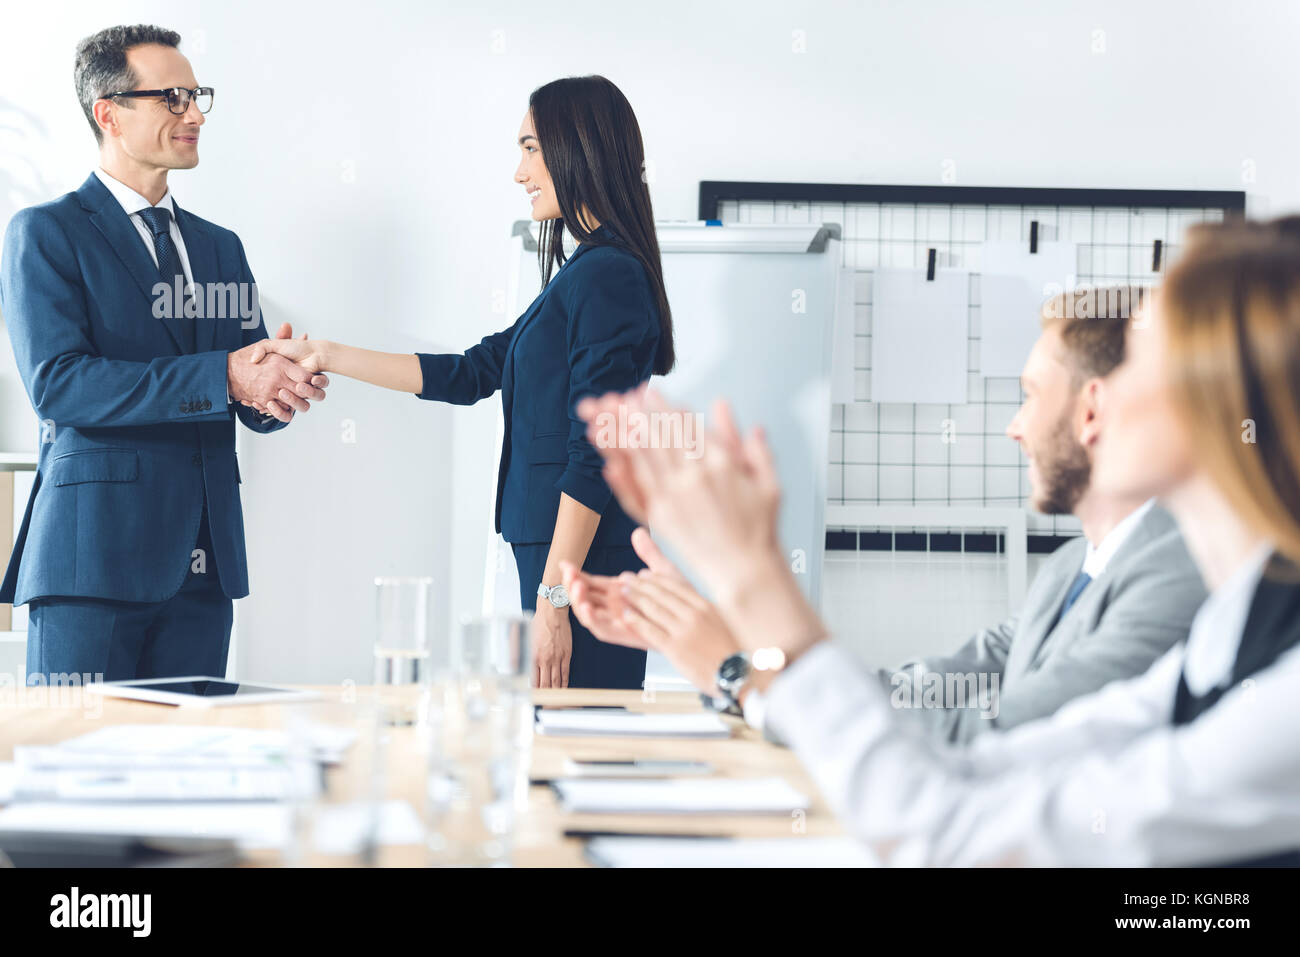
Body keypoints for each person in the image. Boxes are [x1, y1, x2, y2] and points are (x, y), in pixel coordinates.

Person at [575, 219, 1300, 866]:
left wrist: (751, 590)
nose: (1103, 394)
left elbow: (950, 832)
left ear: (1225, 398)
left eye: (1141, 360)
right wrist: (752, 658)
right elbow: (984, 768)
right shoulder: (1225, 628)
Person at [562, 286, 1205, 743]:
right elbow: (918, 690)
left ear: (1091, 410)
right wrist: (740, 657)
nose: (1015, 427)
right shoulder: (1073, 566)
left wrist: (740, 665)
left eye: (1030, 394)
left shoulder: (1175, 575)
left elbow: (988, 735)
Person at [248, 76, 673, 689]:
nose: (519, 172)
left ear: (576, 148)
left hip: (582, 577)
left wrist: (556, 597)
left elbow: (596, 452)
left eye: (530, 149)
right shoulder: (585, 272)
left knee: (579, 757)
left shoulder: (608, 276)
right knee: (552, 755)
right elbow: (472, 373)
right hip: (564, 566)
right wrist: (324, 353)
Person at [0, 25, 328, 684]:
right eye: (173, 98)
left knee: (192, 773)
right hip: (89, 565)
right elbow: (61, 385)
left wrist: (277, 388)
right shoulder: (47, 233)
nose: (195, 114)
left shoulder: (219, 248)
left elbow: (242, 388)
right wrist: (228, 374)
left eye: (197, 96)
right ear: (108, 113)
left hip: (202, 571)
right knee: (74, 774)